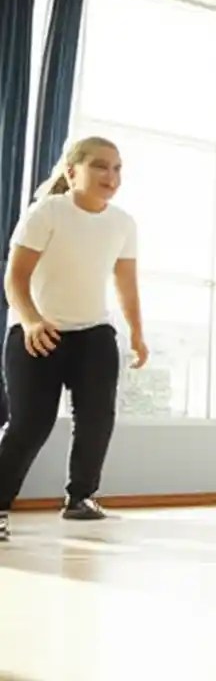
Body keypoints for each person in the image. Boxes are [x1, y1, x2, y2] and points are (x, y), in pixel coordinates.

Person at [0, 136, 148, 542]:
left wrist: (137, 332)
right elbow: (15, 278)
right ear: (72, 172)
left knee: (98, 419)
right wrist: (31, 322)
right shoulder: (46, 213)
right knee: (30, 424)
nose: (111, 176)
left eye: (117, 168)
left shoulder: (122, 223)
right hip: (38, 334)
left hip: (93, 335)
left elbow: (126, 284)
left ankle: (81, 498)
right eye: (100, 166)